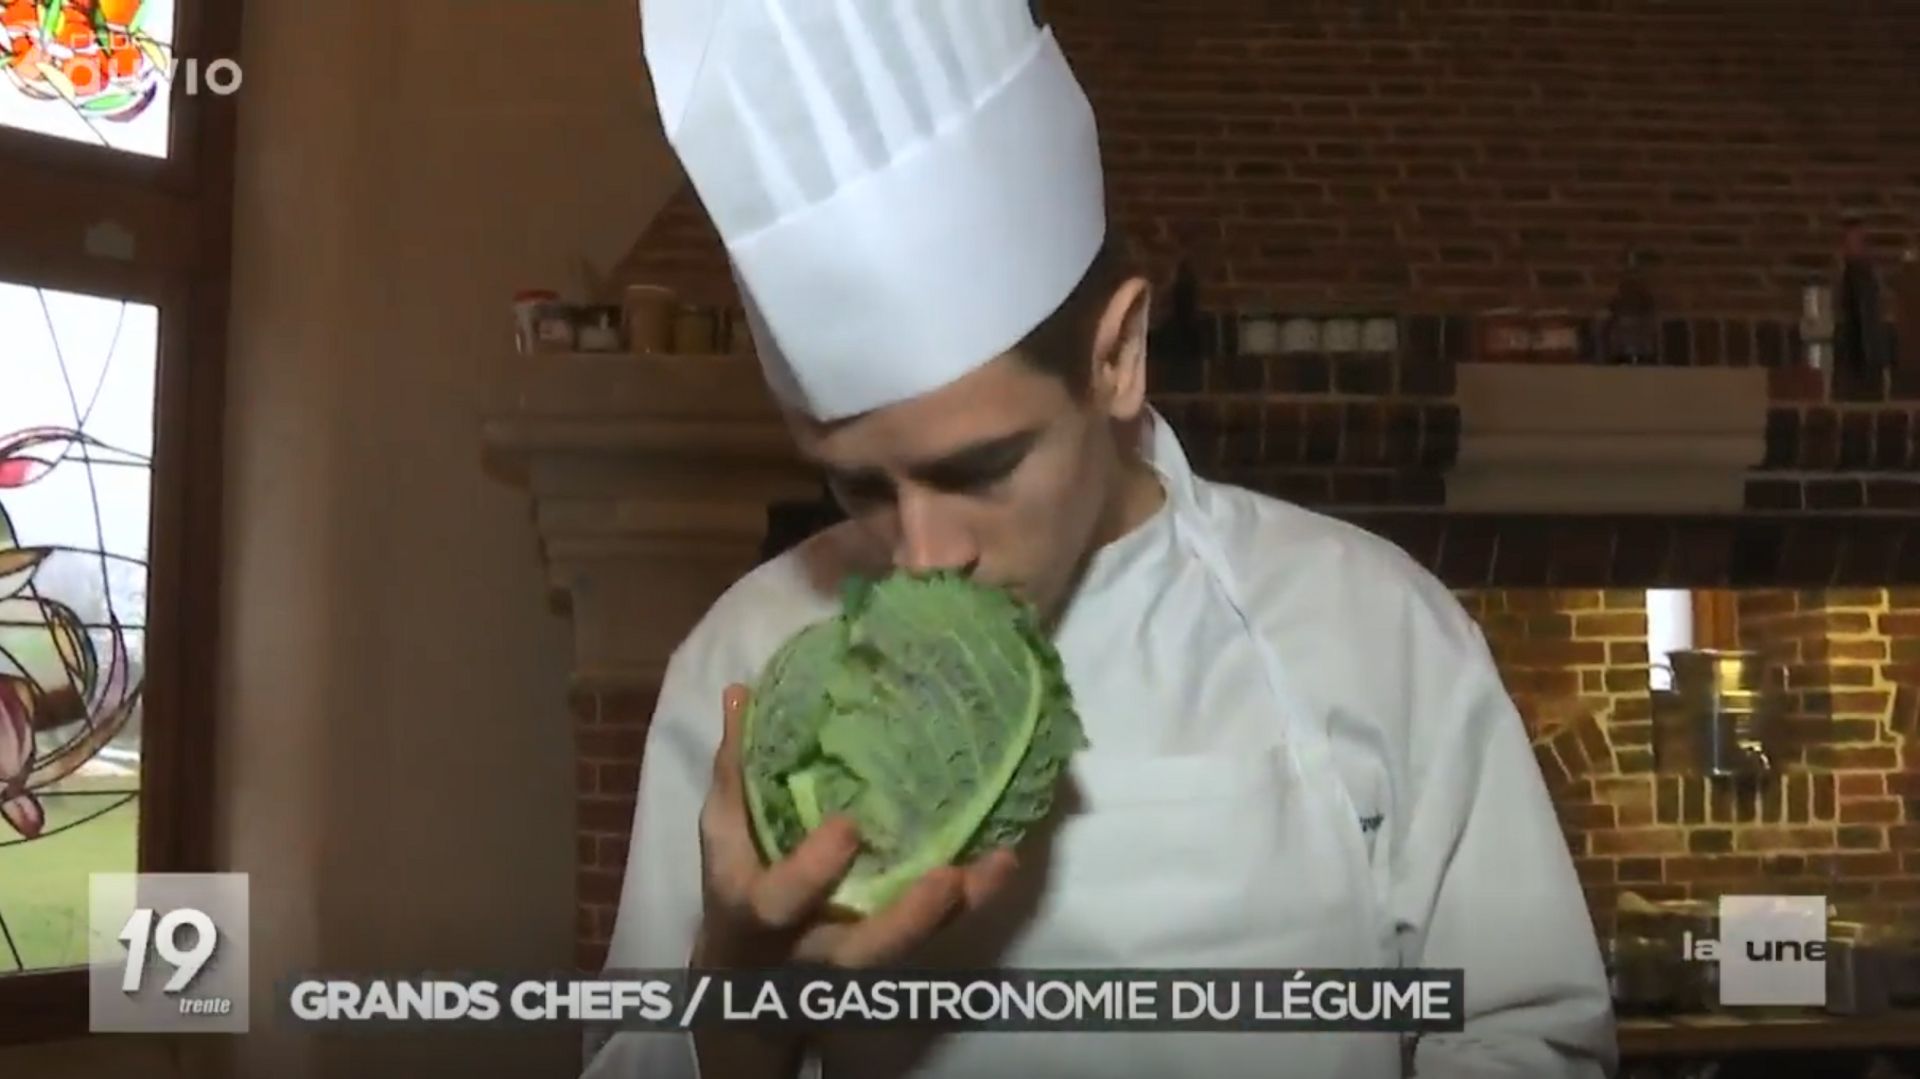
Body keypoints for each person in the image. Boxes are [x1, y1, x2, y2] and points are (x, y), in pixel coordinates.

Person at [584, 2, 1618, 1077]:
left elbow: (1526, 1033)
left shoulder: (1369, 623)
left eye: (981, 467)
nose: (926, 554)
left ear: (1117, 356)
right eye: (859, 486)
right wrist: (740, 1018)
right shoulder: (741, 665)